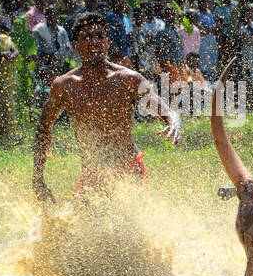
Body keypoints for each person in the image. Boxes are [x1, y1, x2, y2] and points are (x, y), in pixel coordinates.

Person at [33, 12, 182, 202]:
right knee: (72, 230)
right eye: (87, 37)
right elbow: (43, 128)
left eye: (99, 36)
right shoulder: (64, 86)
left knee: (129, 228)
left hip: (129, 170)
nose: (94, 42)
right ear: (75, 45)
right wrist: (38, 178)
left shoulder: (129, 79)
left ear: (108, 42)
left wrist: (174, 121)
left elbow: (163, 108)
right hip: (92, 175)